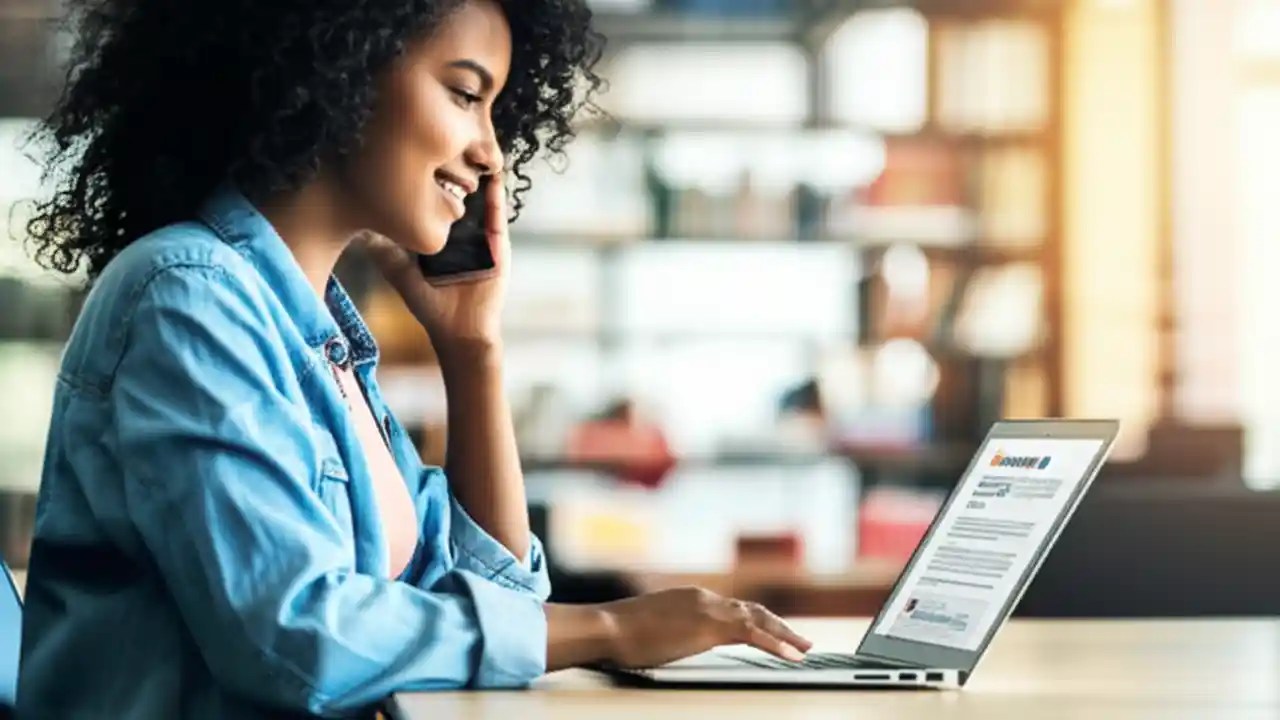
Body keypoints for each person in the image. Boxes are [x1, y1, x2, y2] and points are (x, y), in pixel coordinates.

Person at [14, 0, 812, 717]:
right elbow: (292, 639)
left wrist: (472, 353)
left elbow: (493, 600)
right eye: (466, 95)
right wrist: (610, 624)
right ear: (338, 69)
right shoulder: (188, 297)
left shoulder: (321, 336)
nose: (492, 153)